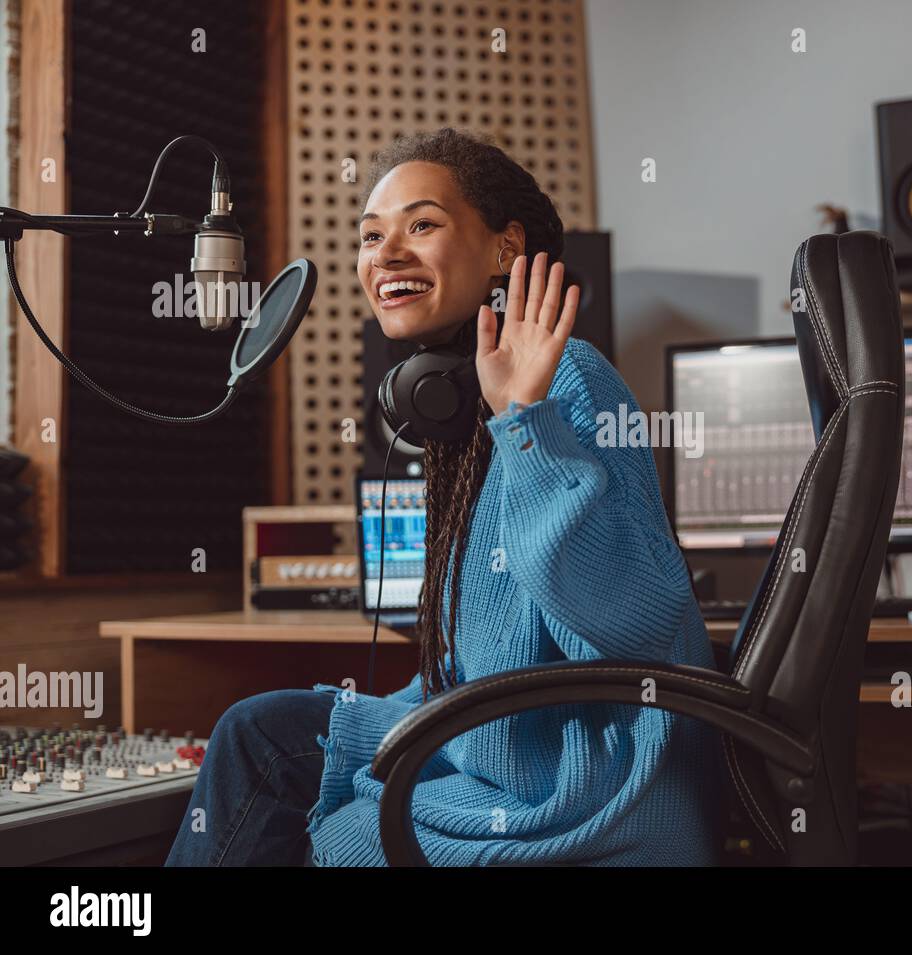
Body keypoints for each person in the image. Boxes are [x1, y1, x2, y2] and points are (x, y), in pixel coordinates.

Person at [164, 127, 723, 866]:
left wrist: (527, 422)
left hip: (574, 795)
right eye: (371, 236)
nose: (386, 255)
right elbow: (476, 669)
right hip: (499, 742)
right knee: (258, 729)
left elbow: (633, 624)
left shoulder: (567, 381)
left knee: (324, 820)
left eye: (421, 225)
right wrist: (366, 719)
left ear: (504, 249)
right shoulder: (460, 413)